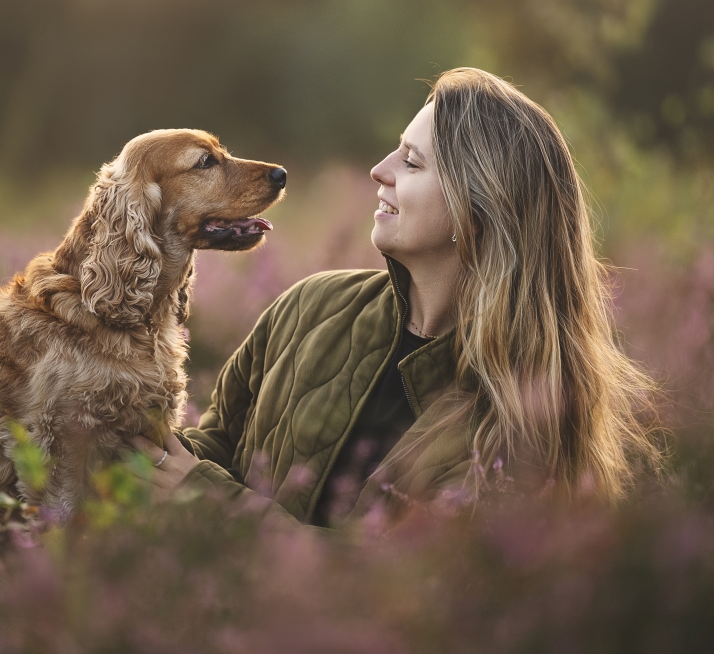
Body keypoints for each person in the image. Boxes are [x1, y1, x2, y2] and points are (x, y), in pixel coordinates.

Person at [127, 68, 659, 526]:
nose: (379, 170)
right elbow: (214, 447)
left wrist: (206, 502)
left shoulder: (519, 423)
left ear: (477, 209)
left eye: (411, 161)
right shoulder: (308, 307)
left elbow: (393, 590)